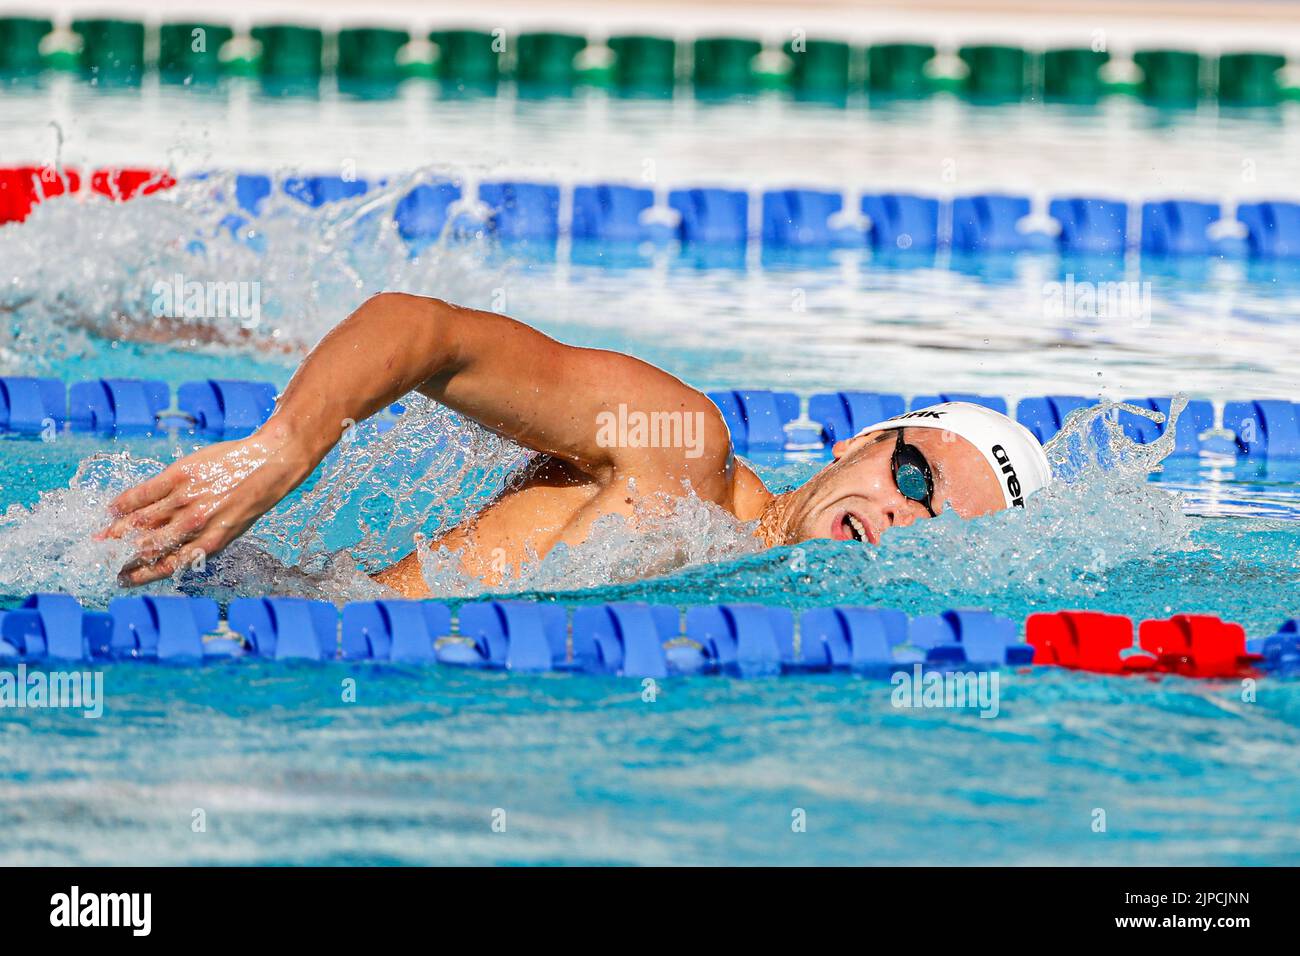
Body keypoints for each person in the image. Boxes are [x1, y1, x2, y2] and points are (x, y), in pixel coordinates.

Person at [100, 292, 1052, 596]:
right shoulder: (685, 455)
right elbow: (425, 331)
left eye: (934, 521)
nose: (898, 511)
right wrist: (282, 446)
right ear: (862, 440)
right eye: (913, 472)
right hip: (220, 597)